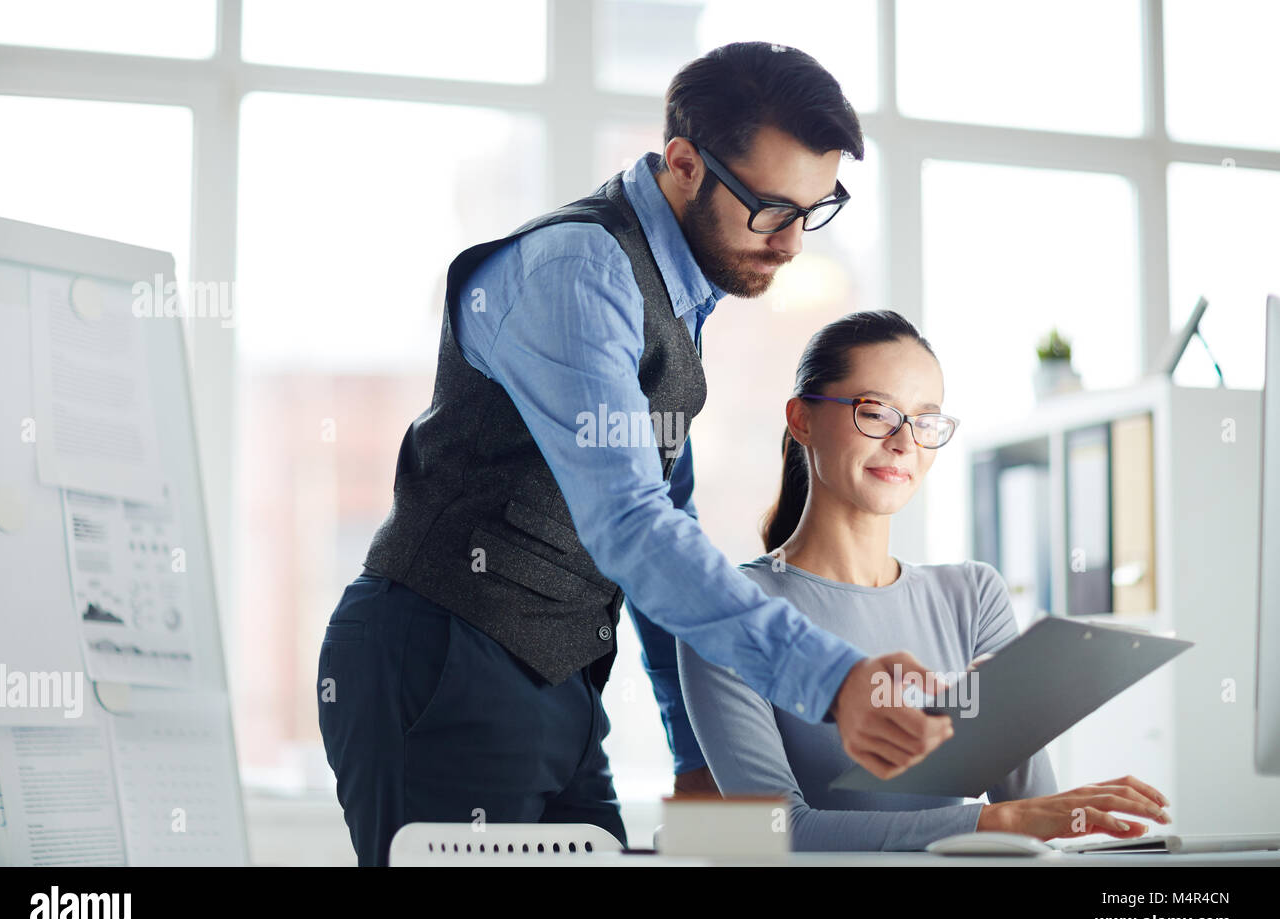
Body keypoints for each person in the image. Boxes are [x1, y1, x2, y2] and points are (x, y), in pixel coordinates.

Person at [318, 43, 955, 866]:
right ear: (684, 164)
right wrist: (834, 681)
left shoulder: (678, 290)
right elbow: (631, 524)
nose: (794, 243)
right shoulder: (581, 271)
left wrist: (693, 756)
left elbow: (668, 518)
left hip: (561, 684)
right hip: (442, 658)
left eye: (814, 208)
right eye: (770, 209)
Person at [678, 310, 1173, 850]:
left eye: (926, 420)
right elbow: (782, 835)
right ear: (802, 420)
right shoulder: (729, 613)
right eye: (877, 412)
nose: (904, 442)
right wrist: (993, 823)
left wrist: (1003, 711)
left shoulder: (973, 596)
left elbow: (1031, 814)